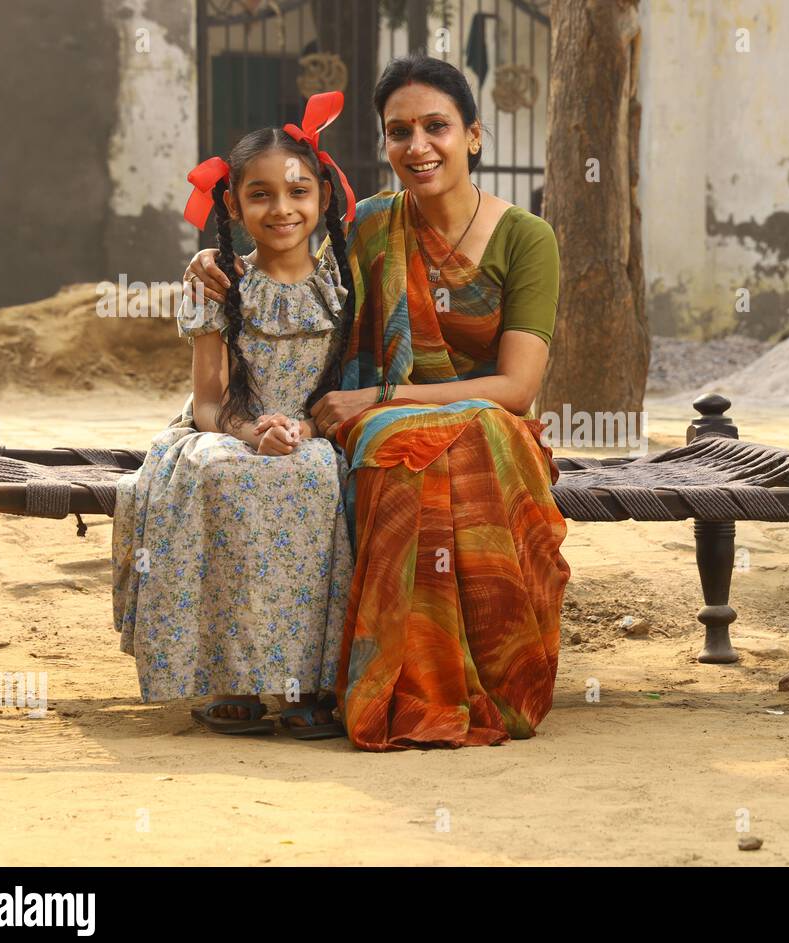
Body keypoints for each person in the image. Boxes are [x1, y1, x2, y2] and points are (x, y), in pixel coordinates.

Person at [186, 55, 571, 751]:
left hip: (488, 426)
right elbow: (285, 272)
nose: (417, 146)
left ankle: (467, 673)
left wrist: (385, 395)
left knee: (434, 438)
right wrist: (214, 262)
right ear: (384, 144)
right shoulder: (366, 226)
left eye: (436, 127)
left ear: (473, 136)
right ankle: (392, 677)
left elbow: (517, 389)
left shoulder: (525, 237)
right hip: (368, 422)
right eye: (399, 132)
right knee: (393, 451)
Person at [113, 93, 359, 740]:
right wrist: (254, 432)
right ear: (232, 206)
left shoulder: (344, 287)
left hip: (313, 433)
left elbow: (346, 386)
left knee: (318, 479)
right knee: (221, 475)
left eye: (298, 192)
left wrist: (304, 427)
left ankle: (307, 679)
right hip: (226, 430)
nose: (282, 209)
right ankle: (231, 674)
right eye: (260, 195)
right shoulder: (216, 283)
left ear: (324, 198)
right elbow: (207, 404)